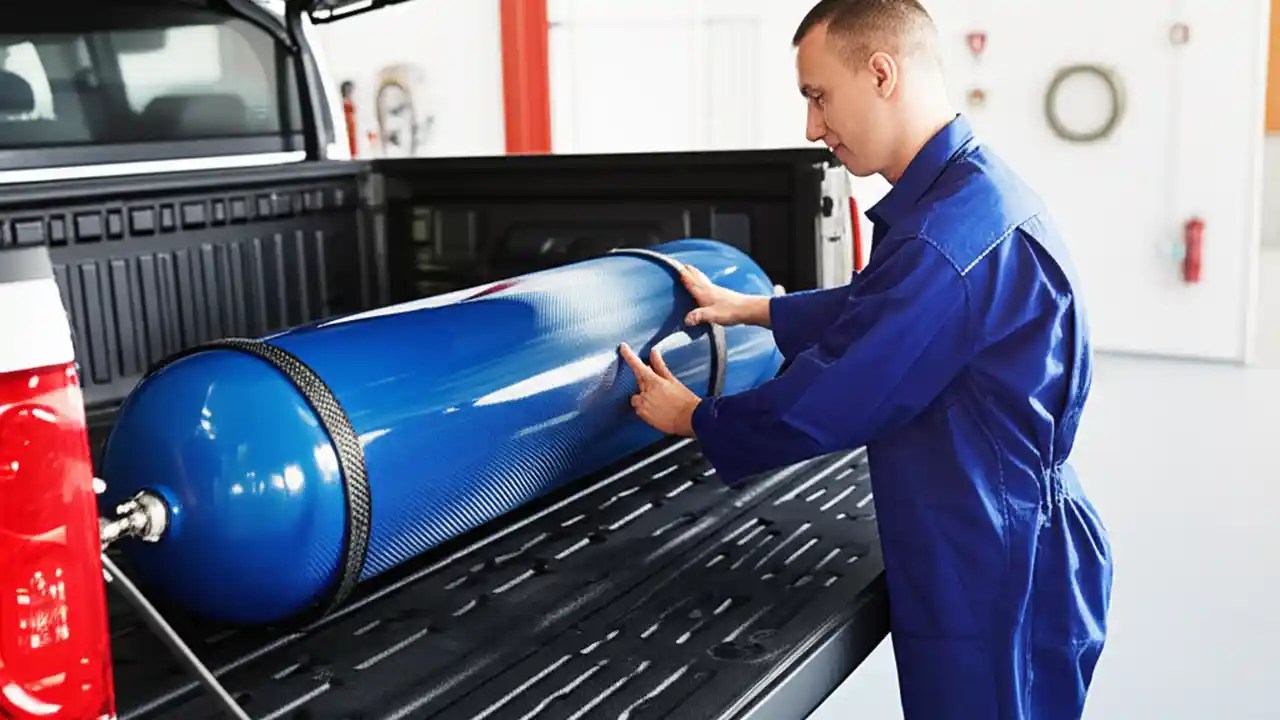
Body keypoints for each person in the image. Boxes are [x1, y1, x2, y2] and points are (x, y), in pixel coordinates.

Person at [616, 1, 1113, 718]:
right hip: (1011, 533)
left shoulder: (942, 239)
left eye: (818, 97)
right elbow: (886, 310)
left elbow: (838, 396)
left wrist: (696, 416)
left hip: (990, 564)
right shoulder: (966, 197)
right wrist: (754, 308)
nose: (813, 128)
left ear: (881, 73)